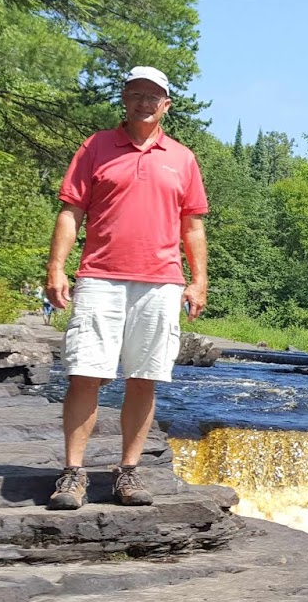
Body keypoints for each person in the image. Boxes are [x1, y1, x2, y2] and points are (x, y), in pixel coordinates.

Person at [43, 66, 209, 510]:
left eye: (153, 96)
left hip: (161, 283)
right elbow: (70, 213)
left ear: (166, 105)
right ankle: (73, 473)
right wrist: (57, 269)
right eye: (136, 94)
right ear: (124, 99)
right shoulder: (95, 147)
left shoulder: (182, 158)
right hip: (99, 276)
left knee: (144, 378)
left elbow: (191, 226)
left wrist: (198, 281)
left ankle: (128, 473)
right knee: (85, 374)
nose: (144, 102)